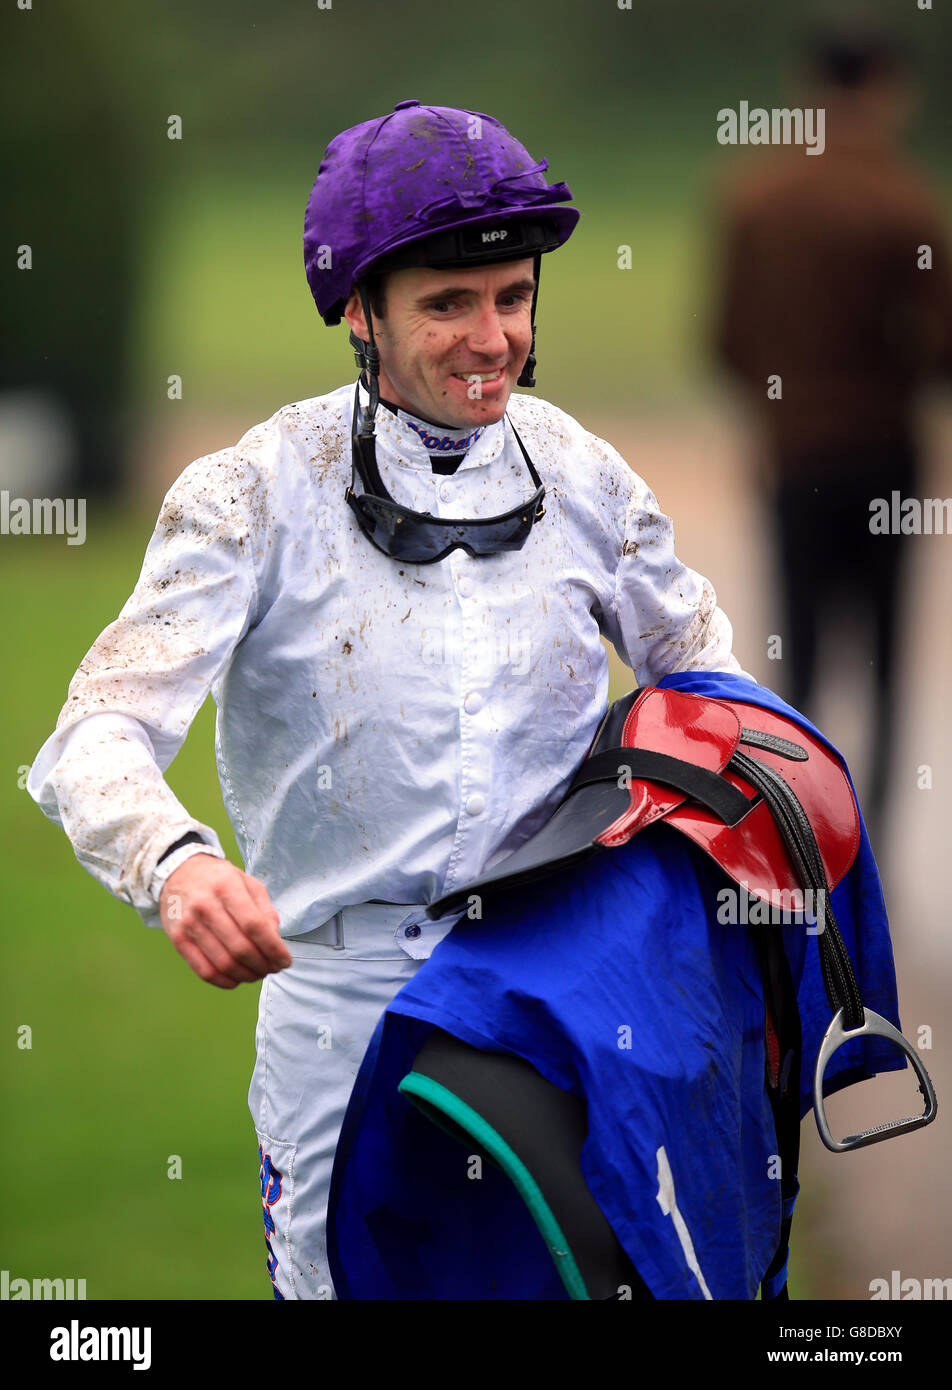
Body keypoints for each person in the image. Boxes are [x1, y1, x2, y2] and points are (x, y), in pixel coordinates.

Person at [27, 100, 749, 1300]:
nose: (491, 339)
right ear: (360, 312)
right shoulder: (252, 491)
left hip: (561, 1003)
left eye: (512, 298)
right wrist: (175, 865)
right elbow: (92, 731)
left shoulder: (585, 477)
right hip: (342, 1019)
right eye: (447, 304)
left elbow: (716, 697)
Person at [712, 27, 952, 840]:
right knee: (885, 651)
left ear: (803, 86)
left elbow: (725, 340)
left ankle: (800, 828)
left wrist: (781, 404)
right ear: (888, 89)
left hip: (794, 451)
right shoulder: (906, 197)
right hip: (884, 452)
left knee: (799, 646)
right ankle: (872, 839)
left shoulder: (755, 194)